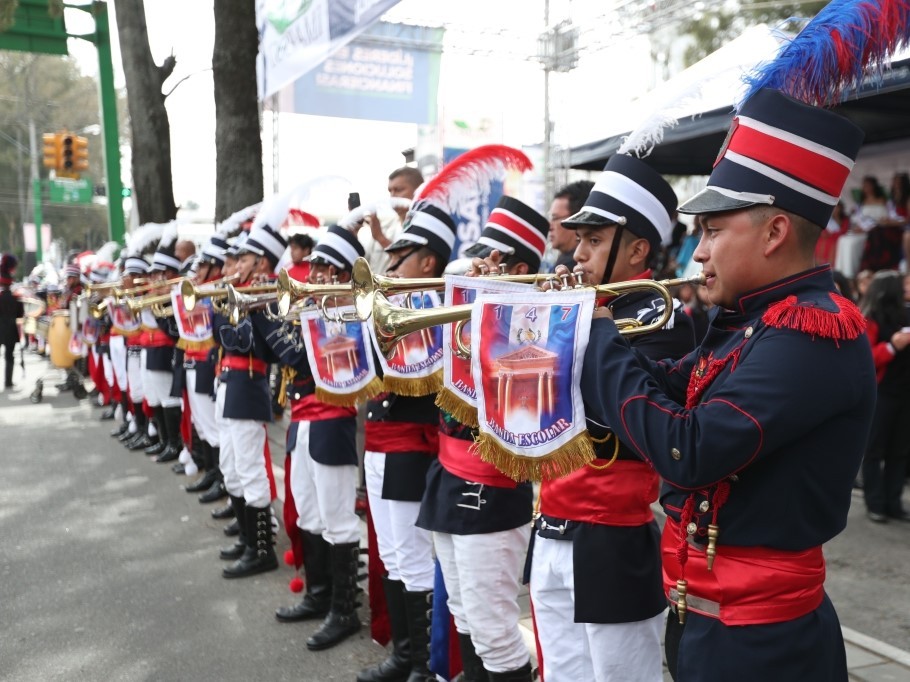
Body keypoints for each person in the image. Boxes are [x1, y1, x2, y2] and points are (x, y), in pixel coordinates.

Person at [567, 89, 875, 680]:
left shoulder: (811, 330)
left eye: (711, 231)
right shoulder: (751, 322)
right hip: (709, 618)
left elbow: (691, 449)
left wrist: (598, 334)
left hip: (762, 643)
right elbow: (664, 386)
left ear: (775, 231)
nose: (699, 252)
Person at [530, 155, 695, 682]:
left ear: (638, 249)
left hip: (612, 535)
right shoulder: (578, 304)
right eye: (578, 241)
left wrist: (571, 321)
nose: (576, 255)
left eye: (593, 241)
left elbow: (612, 404)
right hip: (551, 523)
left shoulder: (664, 318)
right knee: (561, 674)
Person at [416, 197, 551, 682]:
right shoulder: (464, 313)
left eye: (492, 261)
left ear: (517, 269)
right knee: (465, 616)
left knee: (494, 631)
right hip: (448, 477)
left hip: (489, 487)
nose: (479, 268)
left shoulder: (532, 324)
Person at [266, 225, 364, 650]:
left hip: (331, 422)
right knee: (307, 512)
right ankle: (319, 594)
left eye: (329, 268)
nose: (318, 274)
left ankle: (344, 612)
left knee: (337, 517)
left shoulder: (350, 312)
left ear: (347, 274)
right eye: (318, 265)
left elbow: (295, 353)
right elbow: (280, 352)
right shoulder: (313, 308)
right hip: (303, 420)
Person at [212, 220, 286, 579]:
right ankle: (247, 539)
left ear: (261, 262)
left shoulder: (269, 293)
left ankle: (262, 550)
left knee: (250, 469)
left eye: (245, 258)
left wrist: (247, 304)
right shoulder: (238, 290)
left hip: (249, 382)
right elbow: (219, 336)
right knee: (231, 466)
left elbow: (252, 343)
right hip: (229, 380)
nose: (237, 264)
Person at [860, 270, 910, 523]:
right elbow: (865, 359)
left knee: (899, 451)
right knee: (875, 450)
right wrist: (892, 345)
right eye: (903, 284)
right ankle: (875, 502)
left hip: (904, 394)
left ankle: (894, 502)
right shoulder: (872, 317)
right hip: (882, 393)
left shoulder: (904, 314)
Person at [361, 167, 425, 274]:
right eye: (390, 191)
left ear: (418, 190)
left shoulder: (427, 228)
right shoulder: (383, 226)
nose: (392, 196)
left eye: (398, 190)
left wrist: (381, 238)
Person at [545, 180, 594, 273]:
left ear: (576, 219)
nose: (550, 226)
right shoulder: (564, 259)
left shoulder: (573, 266)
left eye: (555, 218)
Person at [0, 254, 24, 389]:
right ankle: (8, 381)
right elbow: (20, 314)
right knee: (9, 356)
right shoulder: (17, 298)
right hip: (11, 329)